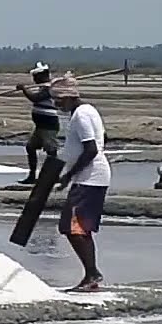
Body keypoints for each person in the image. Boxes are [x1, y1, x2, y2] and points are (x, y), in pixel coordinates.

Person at [52, 73, 110, 292]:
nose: (57, 105)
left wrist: (68, 175)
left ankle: (92, 274)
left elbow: (91, 149)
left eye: (58, 100)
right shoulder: (87, 111)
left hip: (90, 178)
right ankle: (91, 275)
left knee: (72, 227)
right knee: (80, 228)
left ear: (68, 97)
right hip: (89, 177)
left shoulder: (82, 115)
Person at [15, 61, 59, 184]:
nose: (34, 80)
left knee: (51, 150)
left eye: (36, 77)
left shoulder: (50, 88)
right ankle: (32, 175)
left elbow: (36, 98)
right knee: (30, 147)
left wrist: (24, 89)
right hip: (40, 126)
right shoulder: (43, 87)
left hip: (48, 125)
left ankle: (53, 176)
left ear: (42, 76)